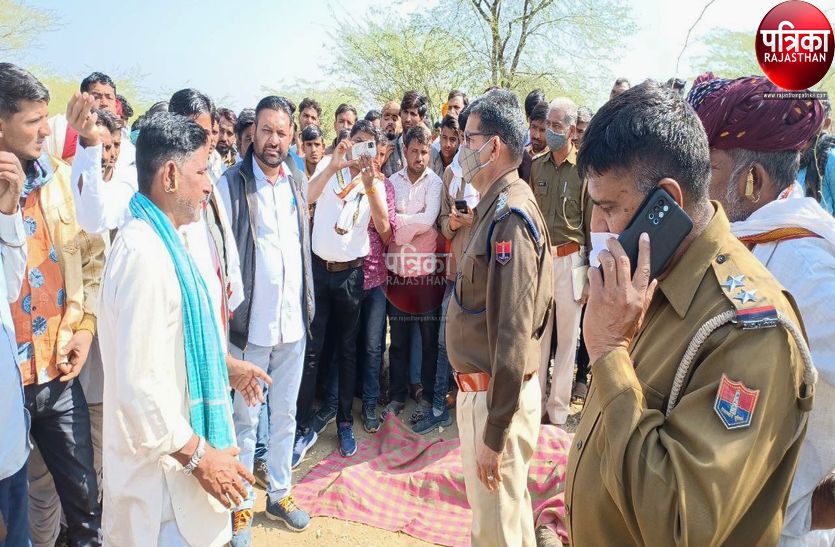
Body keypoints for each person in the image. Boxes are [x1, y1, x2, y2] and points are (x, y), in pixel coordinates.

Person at [565, 80, 815, 546]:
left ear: (666, 204)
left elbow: (680, 526)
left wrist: (609, 351)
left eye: (608, 209)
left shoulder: (749, 331)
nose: (597, 229)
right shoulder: (650, 277)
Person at [687, 73, 835, 545]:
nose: (696, 189)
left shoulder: (809, 269)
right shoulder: (745, 239)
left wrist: (805, 510)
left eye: (707, 170)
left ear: (751, 180)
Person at [97, 112, 255, 546]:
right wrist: (203, 460)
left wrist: (222, 365)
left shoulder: (164, 240)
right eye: (201, 171)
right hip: (162, 503)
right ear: (169, 175)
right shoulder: (144, 256)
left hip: (175, 487)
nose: (209, 184)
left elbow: (170, 347)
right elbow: (139, 391)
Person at [0, 62, 106, 547]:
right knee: (19, 516)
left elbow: (92, 261)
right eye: (33, 120)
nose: (47, 128)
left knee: (86, 504)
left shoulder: (61, 180)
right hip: (7, 387)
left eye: (48, 117)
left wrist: (84, 329)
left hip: (58, 376)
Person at [445, 88, 552, 546]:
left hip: (495, 399)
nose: (461, 148)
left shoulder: (509, 217)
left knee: (497, 531)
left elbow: (511, 333)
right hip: (488, 392)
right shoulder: (493, 204)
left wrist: (493, 433)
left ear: (494, 146)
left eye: (469, 139)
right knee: (507, 519)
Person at [217, 95, 315, 534]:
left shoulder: (295, 181)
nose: (273, 140)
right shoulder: (231, 185)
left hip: (292, 323)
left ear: (291, 135)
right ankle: (240, 505)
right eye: (266, 130)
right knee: (245, 419)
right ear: (252, 132)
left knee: (287, 413)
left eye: (281, 132)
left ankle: (279, 493)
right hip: (251, 326)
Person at [297, 119, 392, 455]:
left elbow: (384, 230)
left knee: (348, 351)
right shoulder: (327, 165)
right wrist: (333, 165)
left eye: (369, 145)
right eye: (357, 141)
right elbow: (305, 196)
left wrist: (368, 185)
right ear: (347, 140)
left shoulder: (375, 183)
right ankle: (302, 425)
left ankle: (344, 424)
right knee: (313, 349)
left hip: (352, 276)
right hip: (319, 272)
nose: (360, 149)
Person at [529, 97, 588, 426]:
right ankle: (534, 408)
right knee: (539, 336)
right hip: (541, 259)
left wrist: (590, 273)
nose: (549, 131)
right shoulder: (536, 166)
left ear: (572, 131)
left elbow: (591, 225)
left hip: (572, 261)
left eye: (556, 126)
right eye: (547, 124)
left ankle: (559, 410)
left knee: (568, 339)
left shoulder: (584, 171)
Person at [384, 125, 443, 423]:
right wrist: (411, 224)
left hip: (426, 275)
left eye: (425, 152)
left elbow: (429, 217)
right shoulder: (392, 182)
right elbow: (390, 220)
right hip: (398, 273)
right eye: (415, 151)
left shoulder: (436, 182)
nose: (420, 157)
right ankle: (396, 396)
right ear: (404, 151)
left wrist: (403, 225)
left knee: (429, 339)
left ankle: (429, 396)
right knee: (399, 339)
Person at [0, 94, 29, 546]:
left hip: (9, 442)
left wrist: (8, 210)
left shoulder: (9, 192)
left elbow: (10, 288)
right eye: (36, 120)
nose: (45, 131)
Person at [518, 101, 548, 183]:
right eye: (533, 127)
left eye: (542, 130)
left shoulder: (554, 160)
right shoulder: (520, 156)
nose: (536, 136)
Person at [380, 100, 404, 177]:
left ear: (401, 123)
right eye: (386, 118)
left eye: (394, 119)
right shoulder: (373, 145)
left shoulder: (407, 143)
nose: (390, 122)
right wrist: (381, 160)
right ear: (380, 121)